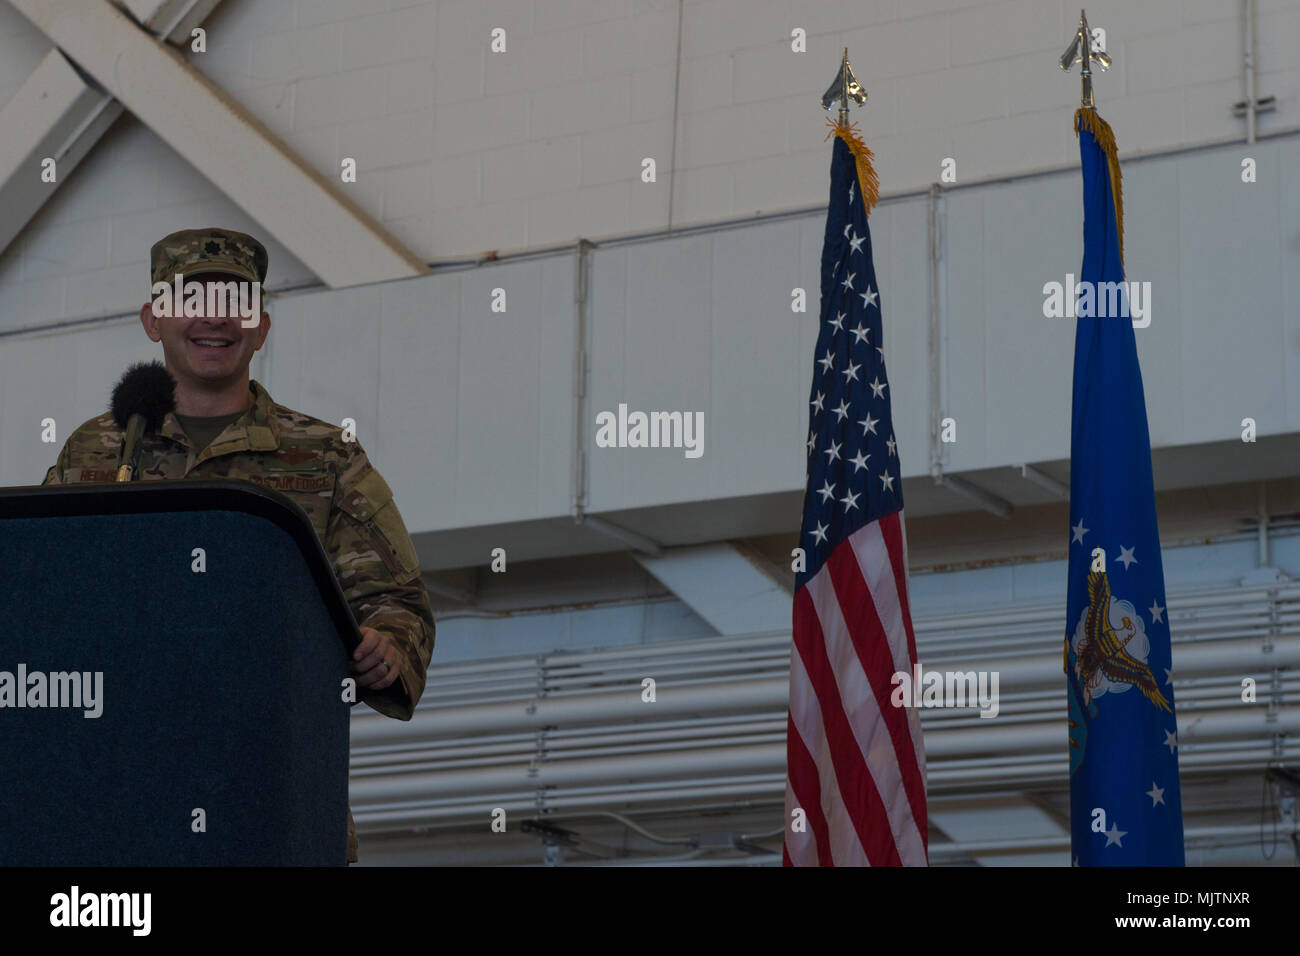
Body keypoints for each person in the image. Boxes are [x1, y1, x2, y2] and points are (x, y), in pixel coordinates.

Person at [41, 227, 434, 864]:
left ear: (261, 328)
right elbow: (42, 594)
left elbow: (398, 601)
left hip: (273, 800)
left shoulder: (325, 456)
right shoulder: (96, 451)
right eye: (191, 301)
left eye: (236, 304)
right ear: (153, 319)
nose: (215, 320)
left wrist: (387, 647)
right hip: (118, 800)